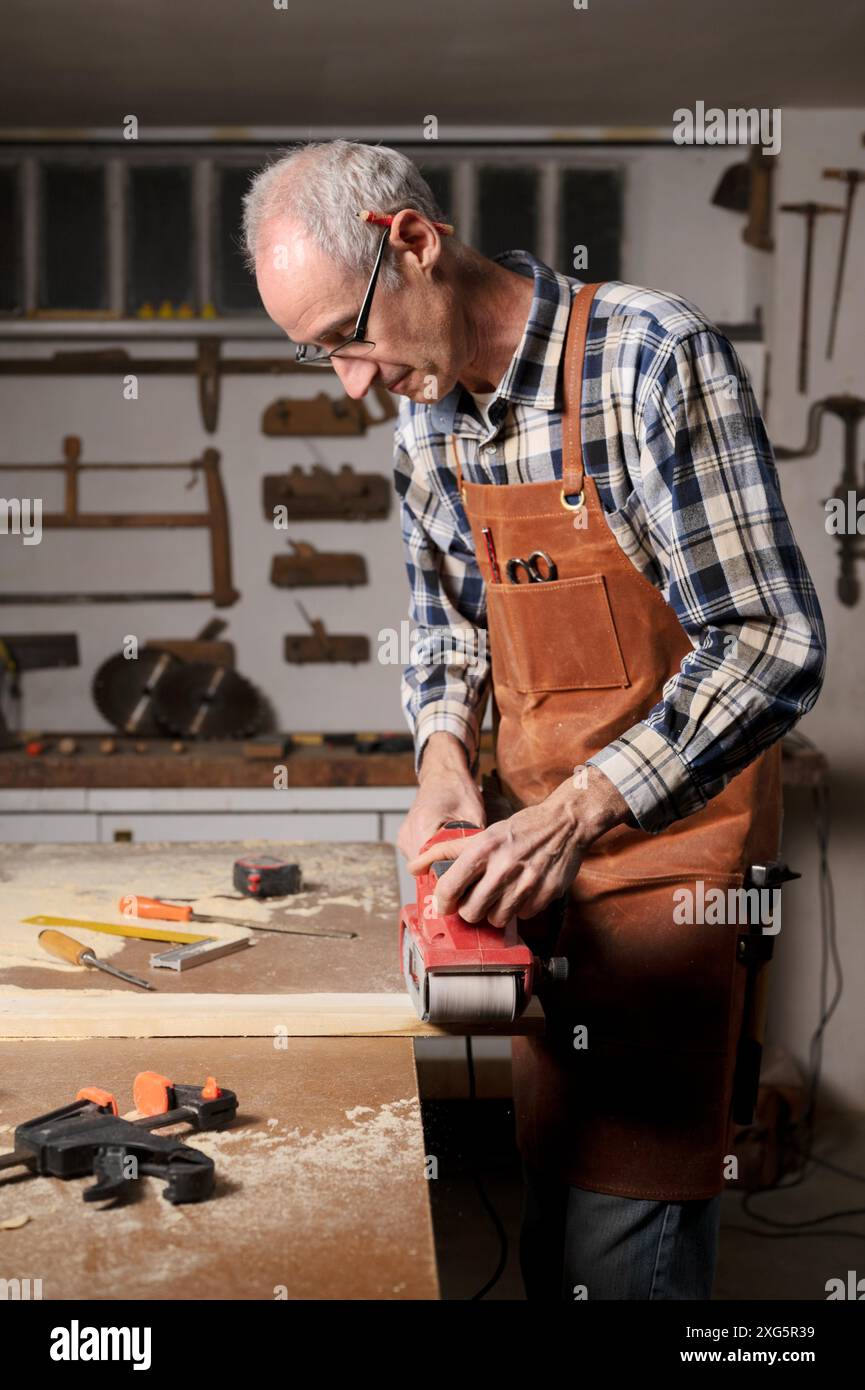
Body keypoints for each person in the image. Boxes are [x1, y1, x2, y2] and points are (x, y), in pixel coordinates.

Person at [244, 140, 826, 1299]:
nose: (350, 383)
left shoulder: (651, 359)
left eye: (347, 338)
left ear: (410, 242)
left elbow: (772, 642)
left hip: (670, 877)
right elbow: (451, 622)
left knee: (629, 1239)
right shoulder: (426, 417)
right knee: (553, 1213)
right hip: (536, 881)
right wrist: (446, 760)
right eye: (318, 357)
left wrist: (582, 807)